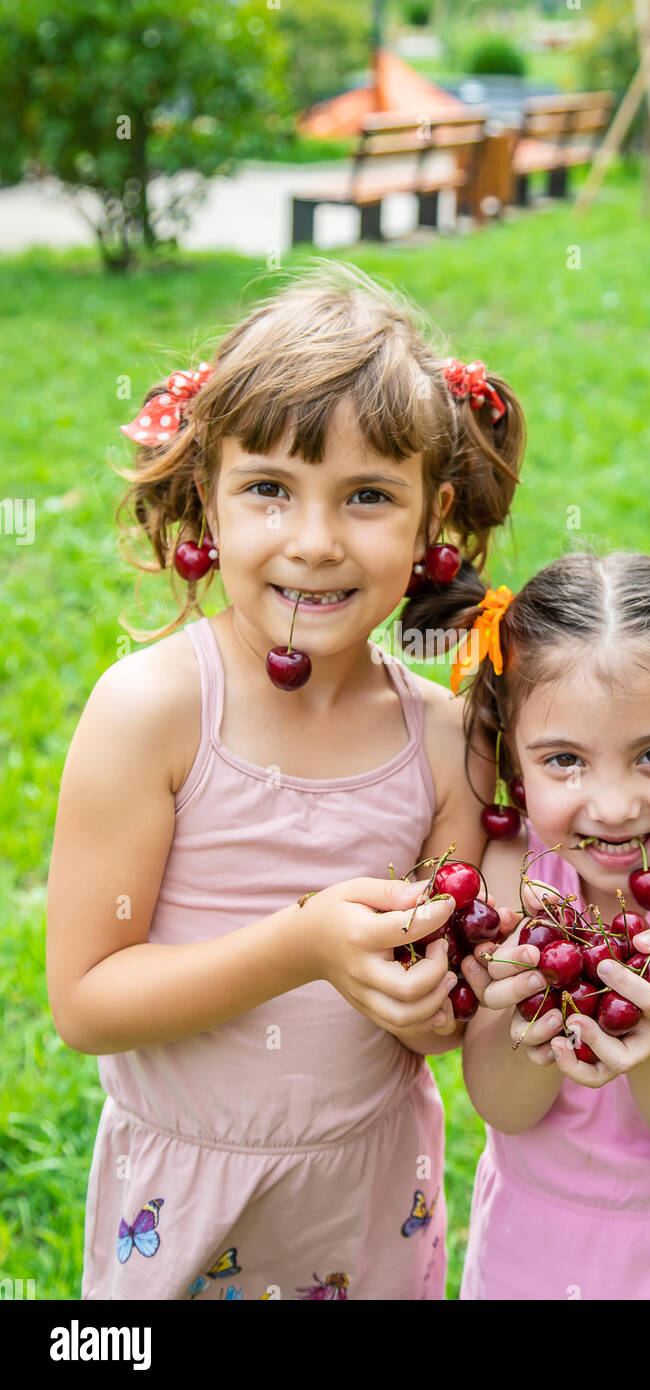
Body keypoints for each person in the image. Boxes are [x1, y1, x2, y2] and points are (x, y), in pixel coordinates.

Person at [45, 259, 525, 1300]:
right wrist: (302, 945)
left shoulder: (447, 739)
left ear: (430, 518)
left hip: (367, 1195)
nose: (314, 542)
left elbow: (434, 1011)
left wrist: (435, 1001)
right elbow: (85, 1001)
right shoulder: (155, 712)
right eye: (270, 489)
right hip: (189, 1197)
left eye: (366, 497)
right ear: (207, 495)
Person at [403, 524, 650, 1300]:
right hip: (529, 1255)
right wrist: (533, 1008)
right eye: (565, 760)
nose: (615, 807)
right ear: (515, 759)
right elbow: (504, 1108)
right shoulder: (515, 871)